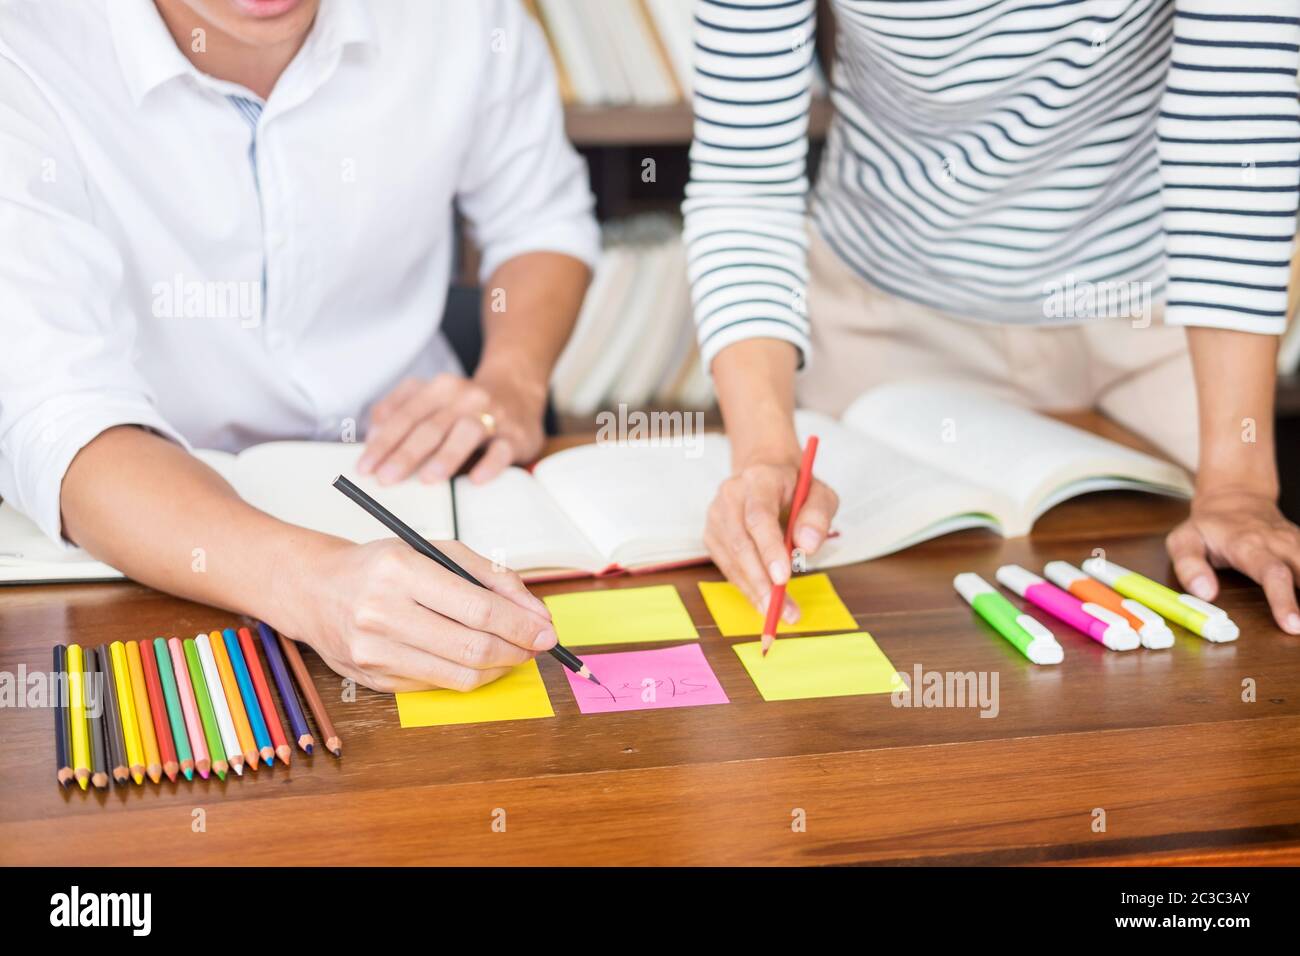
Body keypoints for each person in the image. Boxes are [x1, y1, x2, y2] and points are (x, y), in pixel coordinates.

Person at [0, 0, 599, 689]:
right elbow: (62, 422)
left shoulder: (463, 17)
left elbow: (540, 221)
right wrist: (313, 586)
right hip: (154, 542)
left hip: (422, 481)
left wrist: (513, 380)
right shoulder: (22, 54)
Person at [684, 0, 1300, 634]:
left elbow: (1237, 133)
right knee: (870, 627)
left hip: (1152, 314)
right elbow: (745, 178)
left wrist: (1238, 486)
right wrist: (764, 451)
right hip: (882, 317)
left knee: (1209, 639)